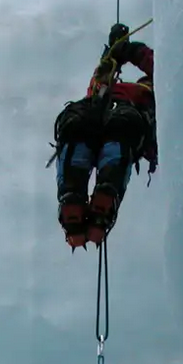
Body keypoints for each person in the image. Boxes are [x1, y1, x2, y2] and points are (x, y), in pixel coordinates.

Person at [51, 23, 158, 249]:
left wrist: (119, 49)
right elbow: (165, 67)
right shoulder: (155, 92)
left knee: (76, 135)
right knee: (117, 144)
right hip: (128, 116)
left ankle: (71, 195)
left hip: (92, 108)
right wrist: (127, 50)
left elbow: (103, 72)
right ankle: (107, 191)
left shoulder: (107, 88)